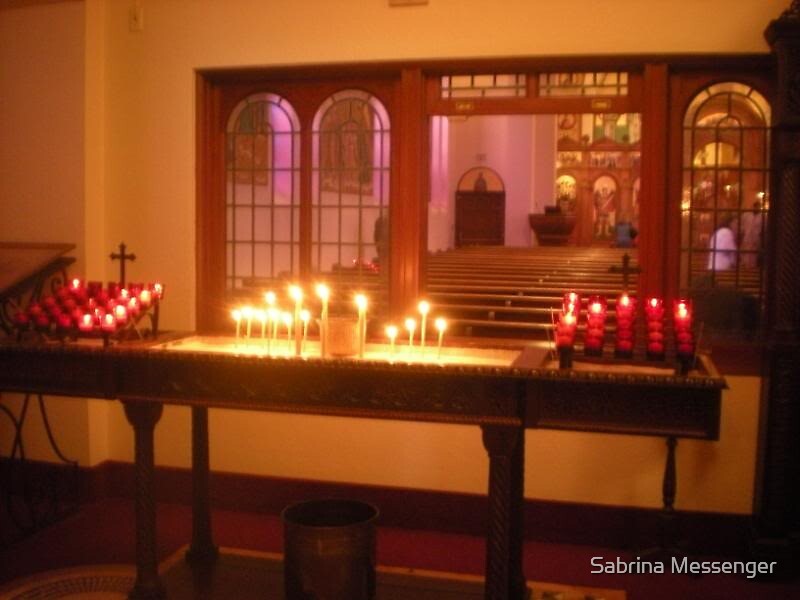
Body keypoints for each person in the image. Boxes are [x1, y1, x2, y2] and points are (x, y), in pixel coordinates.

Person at [739, 201, 764, 268]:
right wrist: (741, 235)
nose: (757, 208)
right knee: (745, 255)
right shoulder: (746, 215)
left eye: (758, 207)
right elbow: (741, 226)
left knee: (754, 257)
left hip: (756, 240)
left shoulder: (762, 217)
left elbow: (763, 229)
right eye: (755, 207)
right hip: (746, 239)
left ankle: (752, 268)